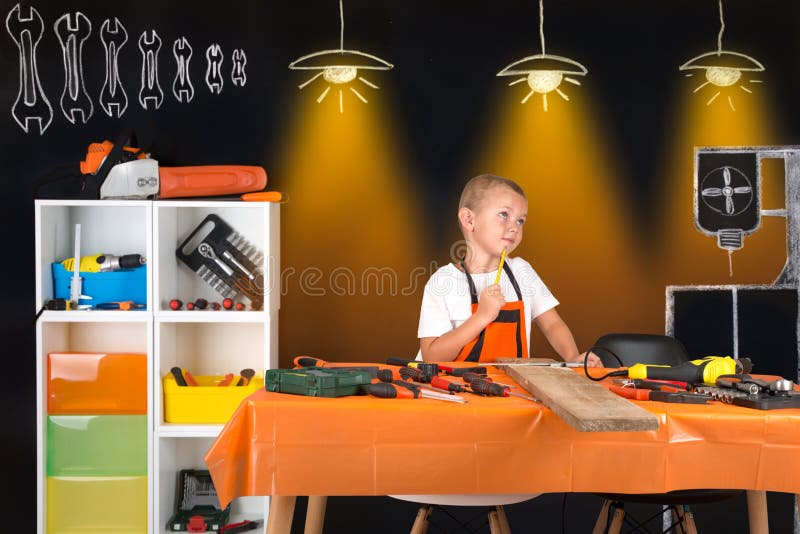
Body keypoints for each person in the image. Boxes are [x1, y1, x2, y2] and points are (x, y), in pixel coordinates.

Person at [418, 173, 602, 366]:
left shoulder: (521, 271)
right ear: (469, 220)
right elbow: (431, 356)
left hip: (511, 391)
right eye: (504, 215)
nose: (514, 227)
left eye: (520, 220)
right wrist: (481, 317)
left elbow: (552, 324)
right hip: (459, 390)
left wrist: (572, 357)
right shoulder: (442, 281)